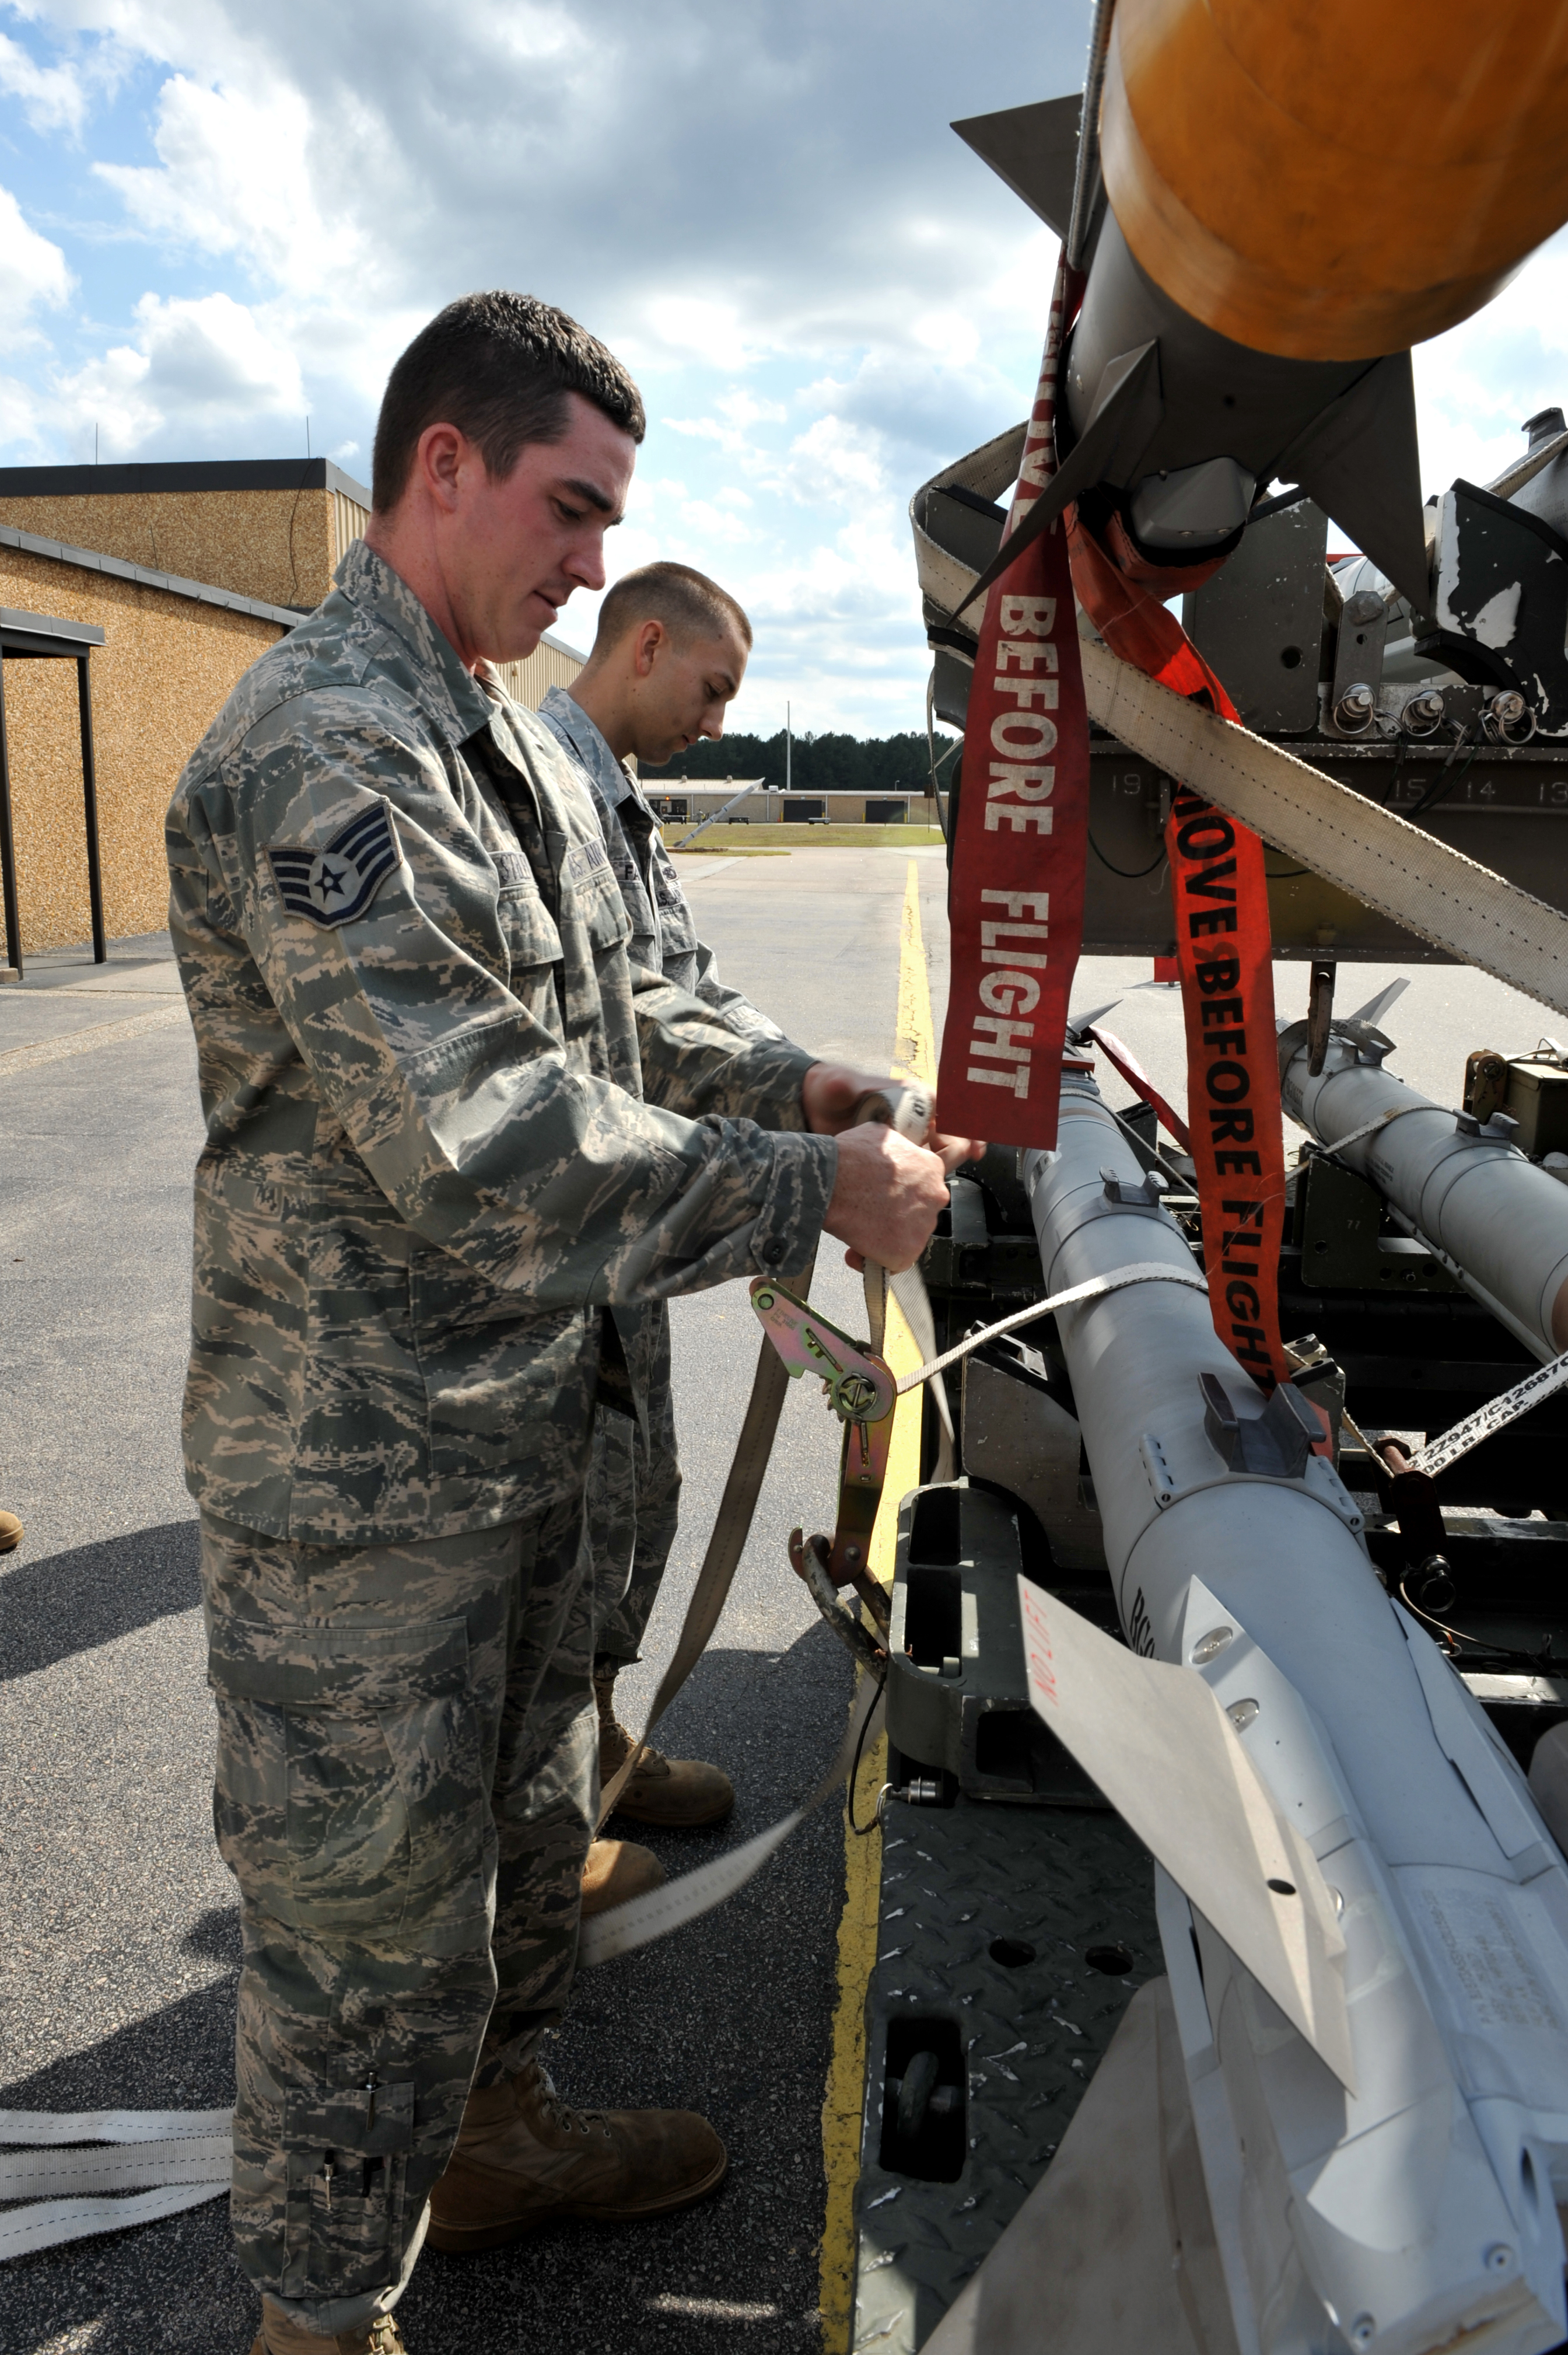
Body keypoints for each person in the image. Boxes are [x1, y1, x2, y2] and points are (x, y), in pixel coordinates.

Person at [164, 290, 970, 2355]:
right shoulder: (323, 750)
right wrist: (813, 1192)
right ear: (442, 464)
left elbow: (632, 1013)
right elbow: (481, 1133)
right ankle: (317, 2318)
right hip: (369, 1487)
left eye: (615, 518)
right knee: (361, 1933)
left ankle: (488, 2134)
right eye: (572, 506)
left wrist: (787, 1081)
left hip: (525, 1439)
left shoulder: (507, 742)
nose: (598, 559)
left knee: (524, 1836)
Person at [538, 562, 792, 1849]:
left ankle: (598, 1747)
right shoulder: (540, 794)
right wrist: (804, 1129)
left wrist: (822, 1080)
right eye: (714, 686)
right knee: (576, 1528)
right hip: (567, 1229)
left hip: (626, 1236)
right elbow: (628, 1038)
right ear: (647, 644)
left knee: (640, 1498)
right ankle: (546, 1819)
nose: (722, 718)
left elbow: (686, 986)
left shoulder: (616, 803)